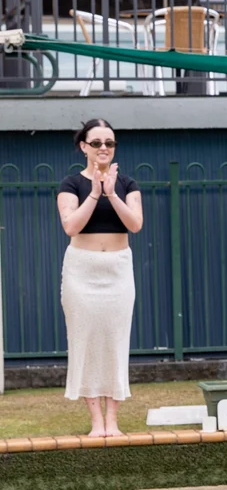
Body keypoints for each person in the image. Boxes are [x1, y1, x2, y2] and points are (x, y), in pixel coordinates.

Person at [56, 119, 143, 437]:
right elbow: (71, 226)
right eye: (97, 143)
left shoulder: (128, 184)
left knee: (116, 342)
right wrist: (94, 194)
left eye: (109, 143)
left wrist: (112, 193)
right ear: (84, 147)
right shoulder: (71, 185)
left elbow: (135, 224)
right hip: (82, 270)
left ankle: (113, 421)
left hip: (118, 270)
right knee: (86, 342)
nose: (104, 148)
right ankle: (96, 422)